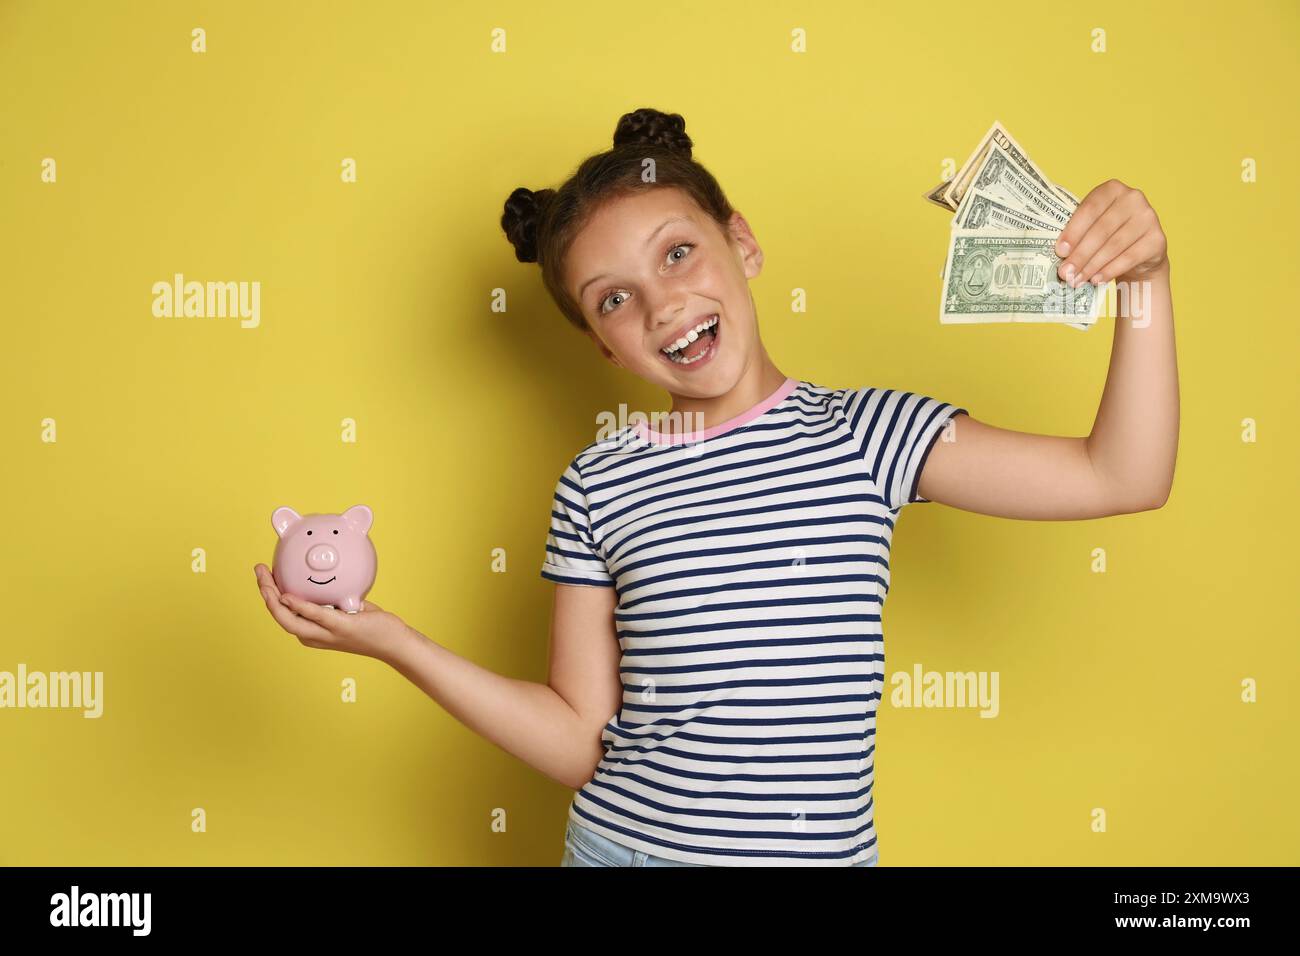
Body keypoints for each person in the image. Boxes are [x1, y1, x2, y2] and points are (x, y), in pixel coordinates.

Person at [254, 107, 1177, 867]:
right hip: (624, 851)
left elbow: (1123, 475)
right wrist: (393, 642)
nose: (660, 305)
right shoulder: (598, 481)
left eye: (677, 253)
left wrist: (1146, 285)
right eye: (611, 298)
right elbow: (581, 740)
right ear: (598, 342)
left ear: (742, 243)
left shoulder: (869, 435)